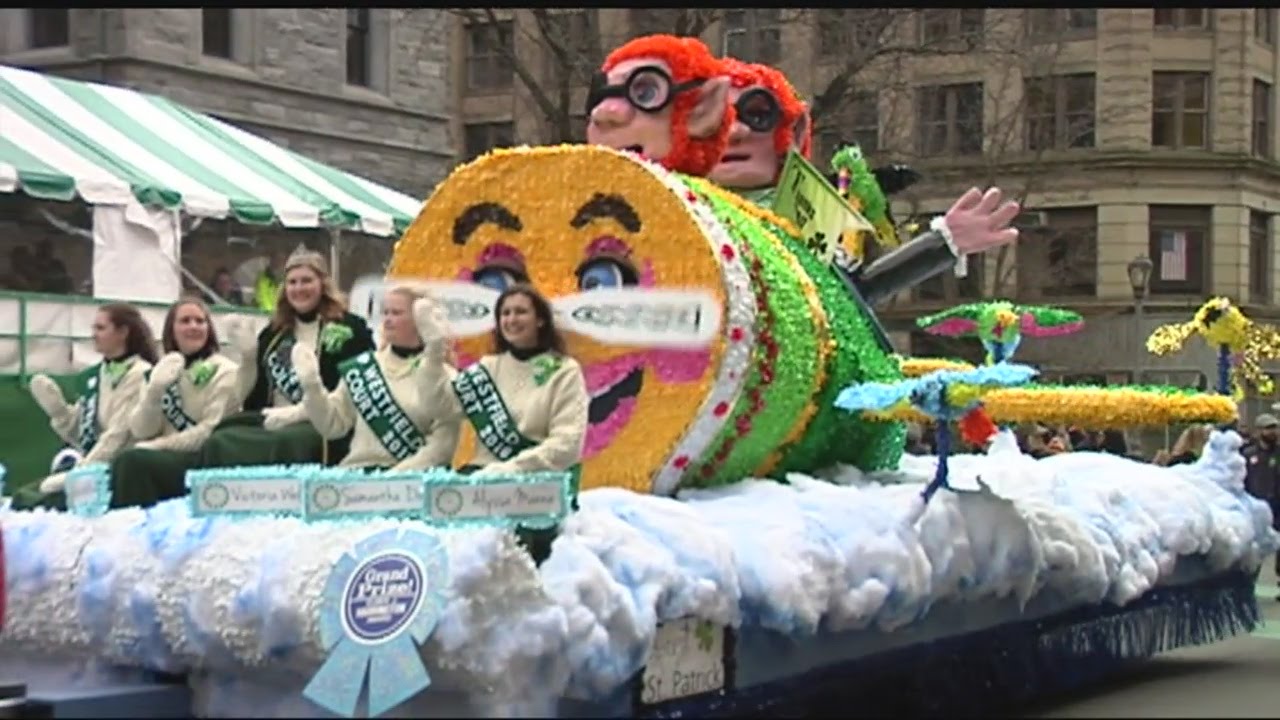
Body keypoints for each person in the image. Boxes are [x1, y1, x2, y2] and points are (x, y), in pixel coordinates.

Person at [704, 58, 1022, 307]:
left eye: (757, 115)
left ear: (795, 132)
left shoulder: (811, 208)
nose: (735, 133)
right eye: (718, 120)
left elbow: (852, 295)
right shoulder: (670, 204)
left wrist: (942, 242)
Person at [444, 284, 589, 563]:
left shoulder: (565, 371)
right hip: (483, 478)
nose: (511, 319)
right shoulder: (488, 367)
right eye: (505, 313)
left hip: (538, 486)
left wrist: (512, 469)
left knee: (516, 552)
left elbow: (568, 444)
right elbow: (444, 407)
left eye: (521, 311)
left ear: (540, 320)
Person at [199, 245, 375, 468]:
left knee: (282, 443)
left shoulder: (350, 328)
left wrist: (299, 412)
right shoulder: (274, 332)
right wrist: (248, 359)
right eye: (292, 282)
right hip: (271, 417)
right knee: (220, 438)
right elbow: (251, 398)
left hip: (321, 424)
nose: (299, 288)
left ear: (323, 284)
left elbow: (354, 391)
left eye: (306, 280)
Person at [264, 284, 461, 471]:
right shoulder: (364, 367)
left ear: (420, 321)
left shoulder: (445, 376)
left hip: (411, 484)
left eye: (397, 313)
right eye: (386, 312)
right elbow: (333, 424)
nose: (388, 319)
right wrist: (312, 386)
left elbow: (442, 447)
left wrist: (394, 479)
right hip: (356, 474)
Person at [107, 299, 239, 508]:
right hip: (163, 458)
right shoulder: (160, 370)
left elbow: (209, 431)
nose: (193, 326)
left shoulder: (226, 371)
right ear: (171, 330)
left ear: (209, 329)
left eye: (200, 321)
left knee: (132, 462)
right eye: (185, 321)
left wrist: (157, 446)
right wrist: (154, 393)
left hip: (203, 459)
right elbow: (141, 431)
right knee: (121, 463)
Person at [27, 303, 159, 496]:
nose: (93, 334)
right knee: (28, 495)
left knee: (38, 498)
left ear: (122, 332)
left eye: (100, 328)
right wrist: (59, 412)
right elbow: (81, 435)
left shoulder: (141, 374)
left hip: (121, 471)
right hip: (92, 466)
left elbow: (117, 436)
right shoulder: (97, 374)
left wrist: (78, 474)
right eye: (93, 328)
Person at [1244, 413, 1280, 590]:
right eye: (1268, 428)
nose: (1273, 432)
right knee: (1254, 550)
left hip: (1278, 509)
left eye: (1275, 427)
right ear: (1259, 431)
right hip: (1255, 510)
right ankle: (1249, 584)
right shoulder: (1248, 454)